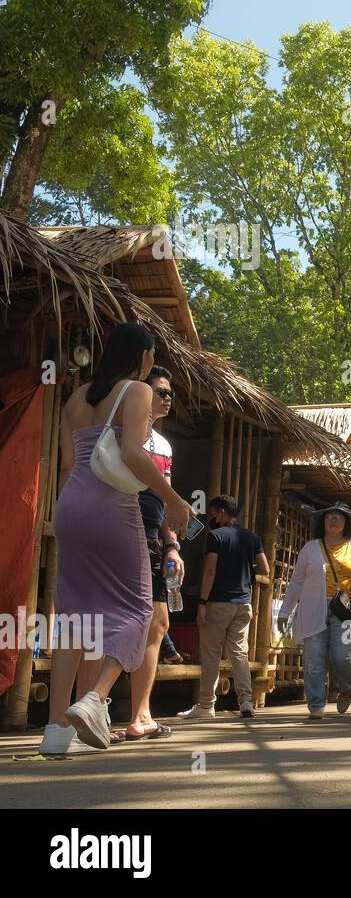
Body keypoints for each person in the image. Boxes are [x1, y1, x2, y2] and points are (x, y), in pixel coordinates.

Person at [41, 324, 190, 755]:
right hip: (112, 507)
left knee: (73, 618)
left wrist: (66, 511)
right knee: (139, 607)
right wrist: (174, 500)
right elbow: (130, 453)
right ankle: (95, 698)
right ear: (144, 356)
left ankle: (55, 733)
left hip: (70, 506)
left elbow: (70, 467)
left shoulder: (75, 398)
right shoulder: (136, 391)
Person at [124, 366, 182, 741]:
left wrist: (173, 546)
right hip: (122, 527)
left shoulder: (165, 445)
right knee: (128, 619)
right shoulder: (124, 432)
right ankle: (121, 712)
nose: (165, 399)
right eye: (159, 391)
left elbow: (166, 505)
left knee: (157, 622)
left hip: (152, 536)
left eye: (168, 394)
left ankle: (139, 714)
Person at [179, 494, 269, 719]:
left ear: (221, 512)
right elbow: (265, 569)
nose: (211, 518)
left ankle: (206, 705)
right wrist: (246, 572)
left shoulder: (215, 537)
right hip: (243, 604)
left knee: (211, 654)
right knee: (239, 653)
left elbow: (209, 572)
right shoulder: (251, 537)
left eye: (212, 513)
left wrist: (201, 603)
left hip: (218, 602)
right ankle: (246, 701)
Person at [280, 502, 351, 719]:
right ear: (322, 522)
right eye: (329, 516)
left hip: (345, 610)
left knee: (342, 655)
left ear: (347, 522)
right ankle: (316, 705)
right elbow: (296, 581)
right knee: (314, 658)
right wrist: (285, 612)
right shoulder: (310, 548)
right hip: (313, 608)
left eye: (339, 517)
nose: (333, 519)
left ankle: (344, 686)